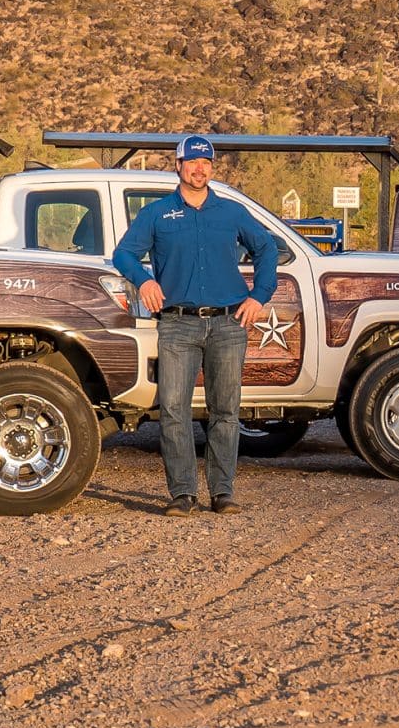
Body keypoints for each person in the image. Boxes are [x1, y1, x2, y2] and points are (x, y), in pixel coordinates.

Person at [112, 135, 279, 515]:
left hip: (228, 323)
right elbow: (123, 253)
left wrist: (260, 295)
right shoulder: (156, 214)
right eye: (193, 162)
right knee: (173, 410)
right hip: (177, 326)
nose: (200, 169)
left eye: (206, 163)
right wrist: (144, 279)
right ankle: (182, 494)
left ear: (212, 168)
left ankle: (223, 493)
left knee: (225, 411)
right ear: (179, 165)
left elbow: (267, 248)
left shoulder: (232, 213)